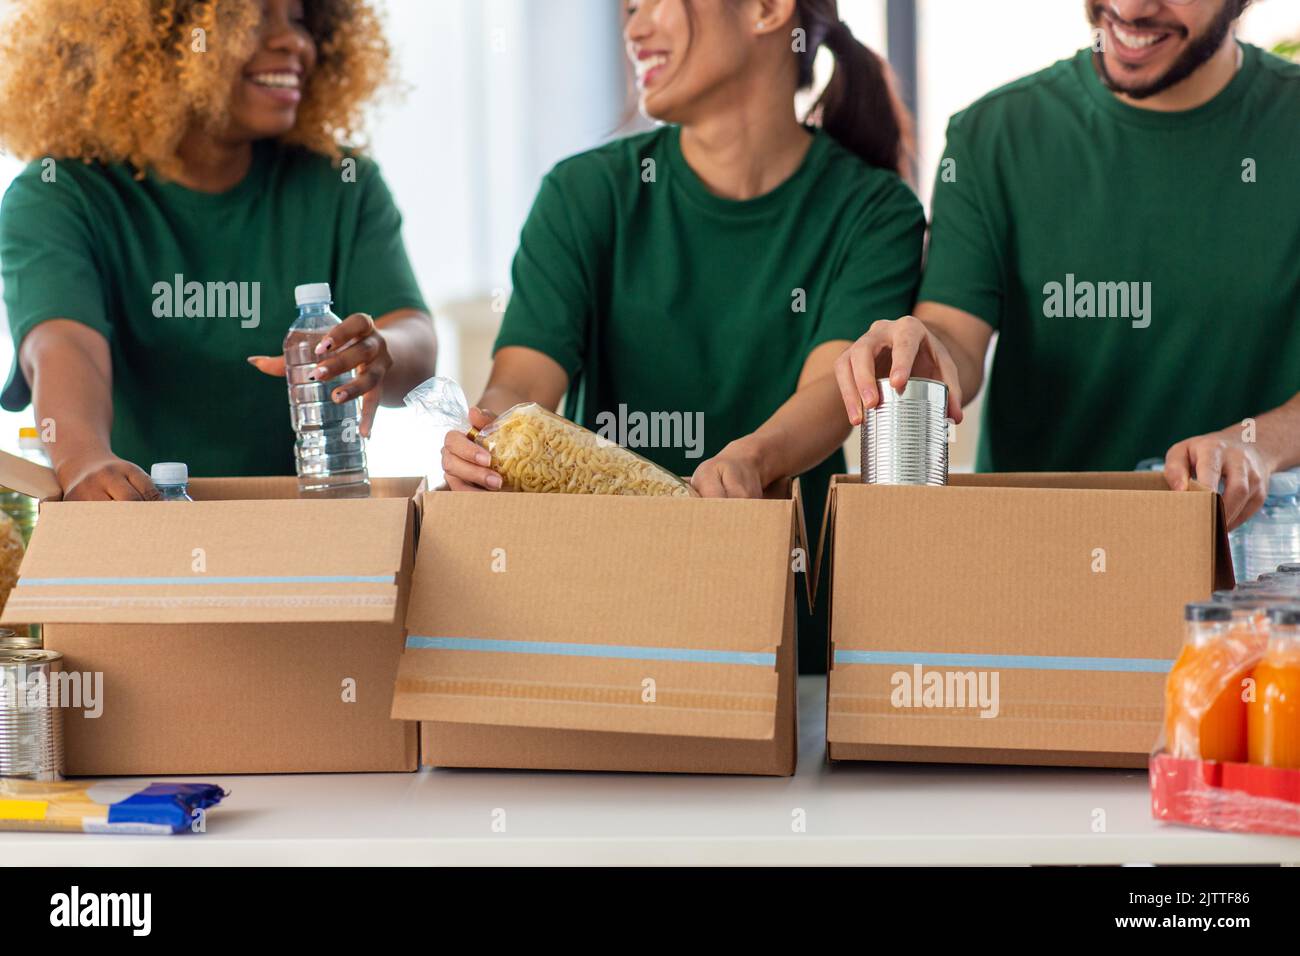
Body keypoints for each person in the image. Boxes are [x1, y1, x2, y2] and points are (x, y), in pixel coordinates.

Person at [441, 0, 925, 673]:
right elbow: (524, 380)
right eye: (629, 8)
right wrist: (487, 438)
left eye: (655, 3)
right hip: (601, 624)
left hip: (789, 638)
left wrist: (751, 460)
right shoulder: (586, 195)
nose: (633, 28)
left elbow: (832, 387)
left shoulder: (875, 212)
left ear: (764, 12)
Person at [834, 0, 1300, 529]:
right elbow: (954, 339)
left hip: (1251, 565)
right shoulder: (993, 136)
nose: (1129, 9)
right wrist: (921, 352)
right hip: (1039, 555)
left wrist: (1257, 443)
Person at [0, 0, 435, 500]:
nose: (293, 41)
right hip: (138, 520)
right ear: (157, 44)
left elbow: (414, 339)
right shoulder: (60, 193)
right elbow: (62, 344)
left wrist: (378, 350)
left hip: (306, 522)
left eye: (298, 20)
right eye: (248, 19)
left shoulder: (343, 183)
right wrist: (83, 460)